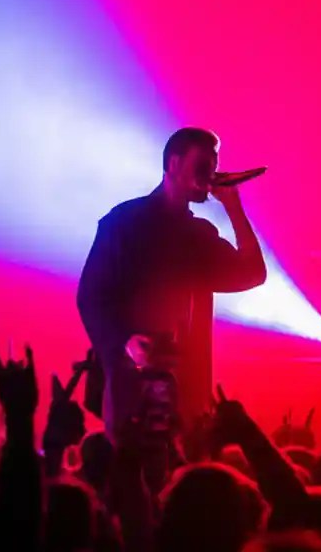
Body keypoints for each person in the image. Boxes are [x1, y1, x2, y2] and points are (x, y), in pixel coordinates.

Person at [77, 127, 267, 437]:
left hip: (186, 389)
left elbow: (252, 273)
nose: (210, 176)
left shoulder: (198, 236)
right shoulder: (123, 223)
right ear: (175, 164)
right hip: (132, 383)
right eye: (203, 166)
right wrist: (124, 341)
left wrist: (233, 206)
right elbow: (91, 296)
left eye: (214, 167)